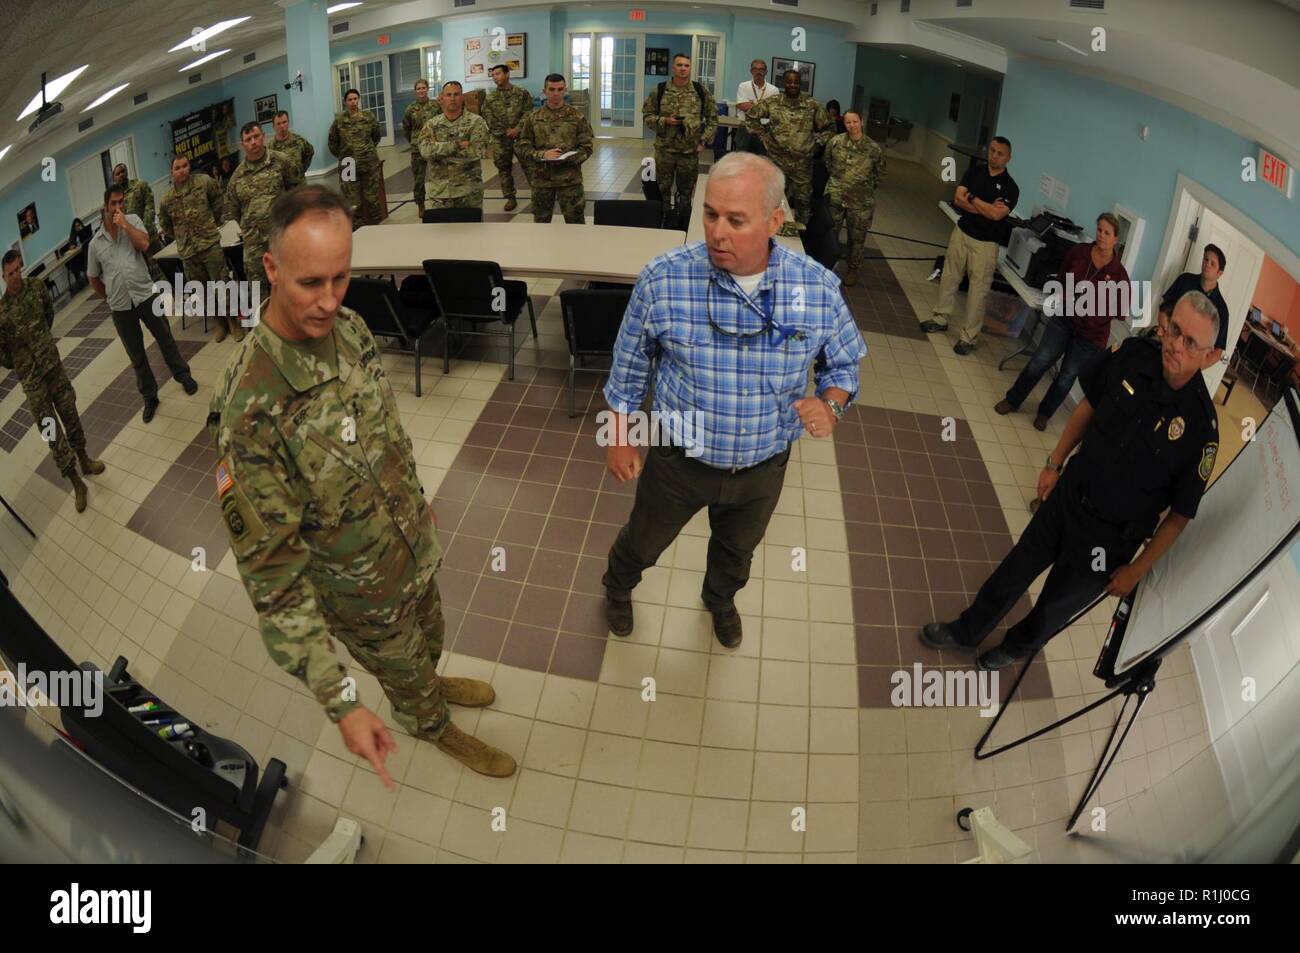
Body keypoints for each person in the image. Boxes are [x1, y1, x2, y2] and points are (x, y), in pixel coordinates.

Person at [209, 186, 515, 783]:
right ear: (270, 268)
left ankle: (429, 681)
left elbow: (388, 435)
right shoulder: (248, 411)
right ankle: (429, 723)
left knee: (430, 631)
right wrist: (340, 702)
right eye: (309, 283)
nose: (329, 301)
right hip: (359, 596)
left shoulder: (349, 327)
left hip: (410, 547)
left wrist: (419, 506)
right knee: (399, 663)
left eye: (341, 278)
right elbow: (272, 580)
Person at [601, 152, 867, 647]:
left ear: (774, 221)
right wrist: (619, 437)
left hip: (762, 467)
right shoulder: (664, 279)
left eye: (735, 220)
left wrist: (830, 404)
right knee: (642, 541)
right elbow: (628, 370)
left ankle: (719, 600)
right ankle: (618, 587)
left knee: (736, 553)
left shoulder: (816, 288)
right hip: (679, 461)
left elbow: (845, 365)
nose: (717, 232)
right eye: (710, 214)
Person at [922, 291, 1222, 671]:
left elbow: (1179, 517)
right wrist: (1054, 461)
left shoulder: (1201, 430)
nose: (1175, 345)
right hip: (1070, 495)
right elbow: (1088, 407)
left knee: (1054, 606)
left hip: (1109, 540)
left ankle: (1015, 647)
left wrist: (1136, 570)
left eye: (1190, 341)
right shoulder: (1133, 355)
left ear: (1209, 356)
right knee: (1016, 568)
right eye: (1174, 329)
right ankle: (967, 630)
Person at [996, 212, 1130, 429]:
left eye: (1107, 233)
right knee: (1040, 361)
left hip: (1090, 336)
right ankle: (1012, 399)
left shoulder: (1119, 275)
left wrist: (1091, 313)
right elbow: (1061, 277)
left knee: (1066, 377)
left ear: (1115, 239)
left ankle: (1044, 414)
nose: (1102, 236)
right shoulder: (1079, 252)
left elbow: (1119, 310)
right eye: (1099, 230)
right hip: (1064, 319)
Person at [0, 250, 105, 512]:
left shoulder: (36, 288)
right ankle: (75, 483)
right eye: (10, 273)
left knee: (70, 413)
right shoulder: (1, 312)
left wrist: (42, 346)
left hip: (53, 368)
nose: (15, 276)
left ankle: (84, 460)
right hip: (32, 382)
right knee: (50, 430)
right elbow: (2, 353)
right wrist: (22, 364)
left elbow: (48, 315)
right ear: (3, 277)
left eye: (17, 270)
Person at [87, 184, 198, 423]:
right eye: (114, 204)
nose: (118, 207)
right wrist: (108, 296)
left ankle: (183, 375)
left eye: (121, 203)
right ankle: (150, 397)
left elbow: (145, 245)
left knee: (165, 338)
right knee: (136, 355)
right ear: (105, 207)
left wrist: (125, 225)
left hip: (145, 295)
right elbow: (93, 278)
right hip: (120, 307)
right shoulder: (95, 244)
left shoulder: (133, 220)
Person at [920, 135, 1019, 355]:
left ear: (1009, 158)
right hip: (962, 233)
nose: (994, 155)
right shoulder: (974, 172)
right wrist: (983, 206)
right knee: (949, 277)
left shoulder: (1011, 188)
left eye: (999, 153)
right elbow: (958, 199)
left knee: (978, 292)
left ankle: (968, 338)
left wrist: (972, 199)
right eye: (992, 150)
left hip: (986, 244)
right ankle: (941, 318)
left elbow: (995, 215)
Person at [159, 153, 243, 343]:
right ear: (171, 172)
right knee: (202, 290)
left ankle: (233, 322)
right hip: (188, 252)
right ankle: (219, 323)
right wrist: (183, 236)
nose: (182, 170)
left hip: (210, 244)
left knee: (222, 284)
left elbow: (218, 203)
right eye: (177, 168)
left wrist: (208, 225)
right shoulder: (167, 200)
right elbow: (166, 226)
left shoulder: (204, 182)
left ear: (189, 166)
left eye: (185, 165)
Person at [743, 69, 834, 224]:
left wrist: (817, 144)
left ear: (800, 84)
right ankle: (772, 231)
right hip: (777, 161)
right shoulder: (773, 102)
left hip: (802, 163)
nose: (793, 85)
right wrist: (764, 136)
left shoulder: (812, 105)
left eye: (796, 82)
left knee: (803, 201)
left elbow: (830, 127)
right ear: (784, 83)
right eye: (789, 82)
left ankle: (802, 237)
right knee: (774, 198)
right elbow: (751, 117)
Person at [641, 53, 718, 230]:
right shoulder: (660, 90)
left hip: (689, 153)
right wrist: (664, 121)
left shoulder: (700, 91)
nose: (683, 68)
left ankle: (683, 223)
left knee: (686, 192)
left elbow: (713, 118)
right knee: (662, 190)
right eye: (679, 65)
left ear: (690, 68)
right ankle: (664, 220)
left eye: (686, 65)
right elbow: (647, 115)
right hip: (665, 151)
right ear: (673, 68)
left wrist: (703, 141)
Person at [223, 121, 298, 288]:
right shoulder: (236, 178)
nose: (253, 142)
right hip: (254, 246)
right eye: (248, 139)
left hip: (282, 237)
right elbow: (234, 212)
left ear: (263, 137)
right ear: (242, 144)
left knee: (290, 285)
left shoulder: (281, 161)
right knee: (258, 291)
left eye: (256, 136)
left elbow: (296, 193)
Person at [517, 74, 593, 224]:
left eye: (560, 89)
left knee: (575, 223)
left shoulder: (577, 117)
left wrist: (568, 157)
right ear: (544, 91)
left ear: (565, 90)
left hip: (570, 180)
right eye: (551, 89)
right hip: (542, 180)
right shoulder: (533, 118)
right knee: (541, 223)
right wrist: (542, 154)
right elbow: (522, 147)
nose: (556, 93)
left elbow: (587, 147)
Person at [823, 109, 886, 287]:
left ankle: (853, 269)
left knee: (856, 238)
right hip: (836, 197)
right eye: (848, 122)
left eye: (855, 121)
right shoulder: (835, 142)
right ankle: (827, 266)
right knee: (830, 233)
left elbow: (880, 174)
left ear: (862, 122)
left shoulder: (873, 149)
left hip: (860, 202)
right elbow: (828, 163)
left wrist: (861, 188)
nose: (852, 125)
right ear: (845, 124)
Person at [416, 80, 491, 211]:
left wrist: (438, 149)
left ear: (462, 97)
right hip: (440, 193)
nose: (452, 98)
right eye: (448, 95)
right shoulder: (432, 124)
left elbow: (477, 152)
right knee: (441, 231)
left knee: (472, 231)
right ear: (442, 98)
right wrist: (457, 145)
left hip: (468, 192)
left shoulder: (476, 122)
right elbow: (425, 151)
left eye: (456, 94)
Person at [1149, 245, 1230, 352]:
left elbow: (1217, 352)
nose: (1207, 264)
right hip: (1164, 343)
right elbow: (1164, 309)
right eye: (1206, 259)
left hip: (1189, 357)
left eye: (1213, 264)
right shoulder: (1184, 280)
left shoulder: (1222, 310)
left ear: (1220, 273)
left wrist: (1192, 368)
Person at [481, 64, 535, 212]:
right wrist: (506, 131)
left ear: (507, 74)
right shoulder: (490, 98)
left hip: (522, 137)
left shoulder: (522, 93)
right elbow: (488, 118)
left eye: (498, 73)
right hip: (500, 138)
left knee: (530, 166)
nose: (495, 77)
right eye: (493, 75)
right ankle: (510, 198)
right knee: (504, 169)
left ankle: (538, 197)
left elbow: (529, 112)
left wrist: (517, 129)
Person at [328, 88, 384, 227]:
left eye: (355, 99)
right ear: (345, 102)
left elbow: (376, 136)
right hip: (348, 164)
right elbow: (333, 143)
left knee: (372, 199)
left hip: (369, 163)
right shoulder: (339, 121)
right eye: (349, 100)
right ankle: (357, 230)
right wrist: (345, 154)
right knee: (353, 201)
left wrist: (367, 151)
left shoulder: (368, 116)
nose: (353, 102)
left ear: (359, 99)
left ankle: (376, 227)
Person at [113, 163, 164, 283]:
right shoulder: (116, 198)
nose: (121, 175)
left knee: (164, 265)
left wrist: (143, 229)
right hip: (133, 244)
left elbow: (150, 206)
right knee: (147, 275)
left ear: (126, 172)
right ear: (114, 178)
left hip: (150, 237)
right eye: (117, 174)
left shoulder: (140, 185)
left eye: (122, 171)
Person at [400, 81, 440, 219]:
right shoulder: (410, 109)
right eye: (418, 88)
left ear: (428, 89)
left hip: (435, 146)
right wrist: (415, 141)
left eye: (423, 88)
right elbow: (406, 128)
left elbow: (441, 123)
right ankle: (421, 205)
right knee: (419, 178)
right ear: (415, 91)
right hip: (418, 148)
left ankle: (440, 201)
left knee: (439, 174)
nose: (421, 90)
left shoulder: (436, 106)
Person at [734, 59, 778, 154]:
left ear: (766, 72)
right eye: (755, 69)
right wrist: (763, 108)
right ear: (751, 71)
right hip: (745, 129)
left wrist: (752, 105)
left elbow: (772, 111)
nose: (758, 72)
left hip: (764, 130)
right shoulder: (743, 86)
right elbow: (743, 106)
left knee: (762, 160)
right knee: (741, 159)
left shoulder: (774, 90)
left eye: (761, 69)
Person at [268, 110, 314, 187]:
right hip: (281, 189)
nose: (282, 126)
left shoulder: (299, 140)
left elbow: (309, 153)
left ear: (288, 122)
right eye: (278, 124)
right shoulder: (270, 147)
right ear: (273, 126)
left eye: (284, 122)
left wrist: (301, 170)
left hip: (299, 185)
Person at [64, 218, 94, 289]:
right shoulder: (73, 235)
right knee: (74, 262)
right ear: (73, 227)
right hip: (77, 255)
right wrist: (72, 246)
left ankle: (90, 276)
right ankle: (81, 280)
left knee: (86, 254)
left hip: (85, 252)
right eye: (76, 226)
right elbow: (71, 245)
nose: (77, 227)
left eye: (79, 225)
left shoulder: (84, 232)